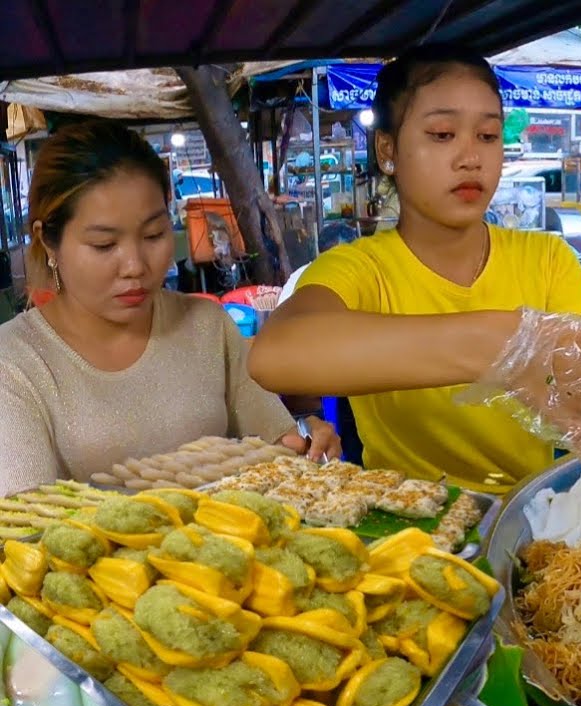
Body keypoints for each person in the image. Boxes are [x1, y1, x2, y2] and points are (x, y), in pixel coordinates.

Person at [249, 44, 581, 499]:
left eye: (487, 136)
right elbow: (275, 355)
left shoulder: (546, 259)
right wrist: (504, 342)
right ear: (387, 150)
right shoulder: (359, 269)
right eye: (443, 134)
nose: (471, 157)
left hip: (530, 513)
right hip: (412, 525)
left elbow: (578, 407)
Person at [0, 120, 341, 495]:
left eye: (153, 235)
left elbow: (278, 448)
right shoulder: (15, 364)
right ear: (48, 243)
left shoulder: (206, 327)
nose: (135, 266)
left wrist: (305, 443)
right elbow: (28, 527)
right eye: (103, 245)